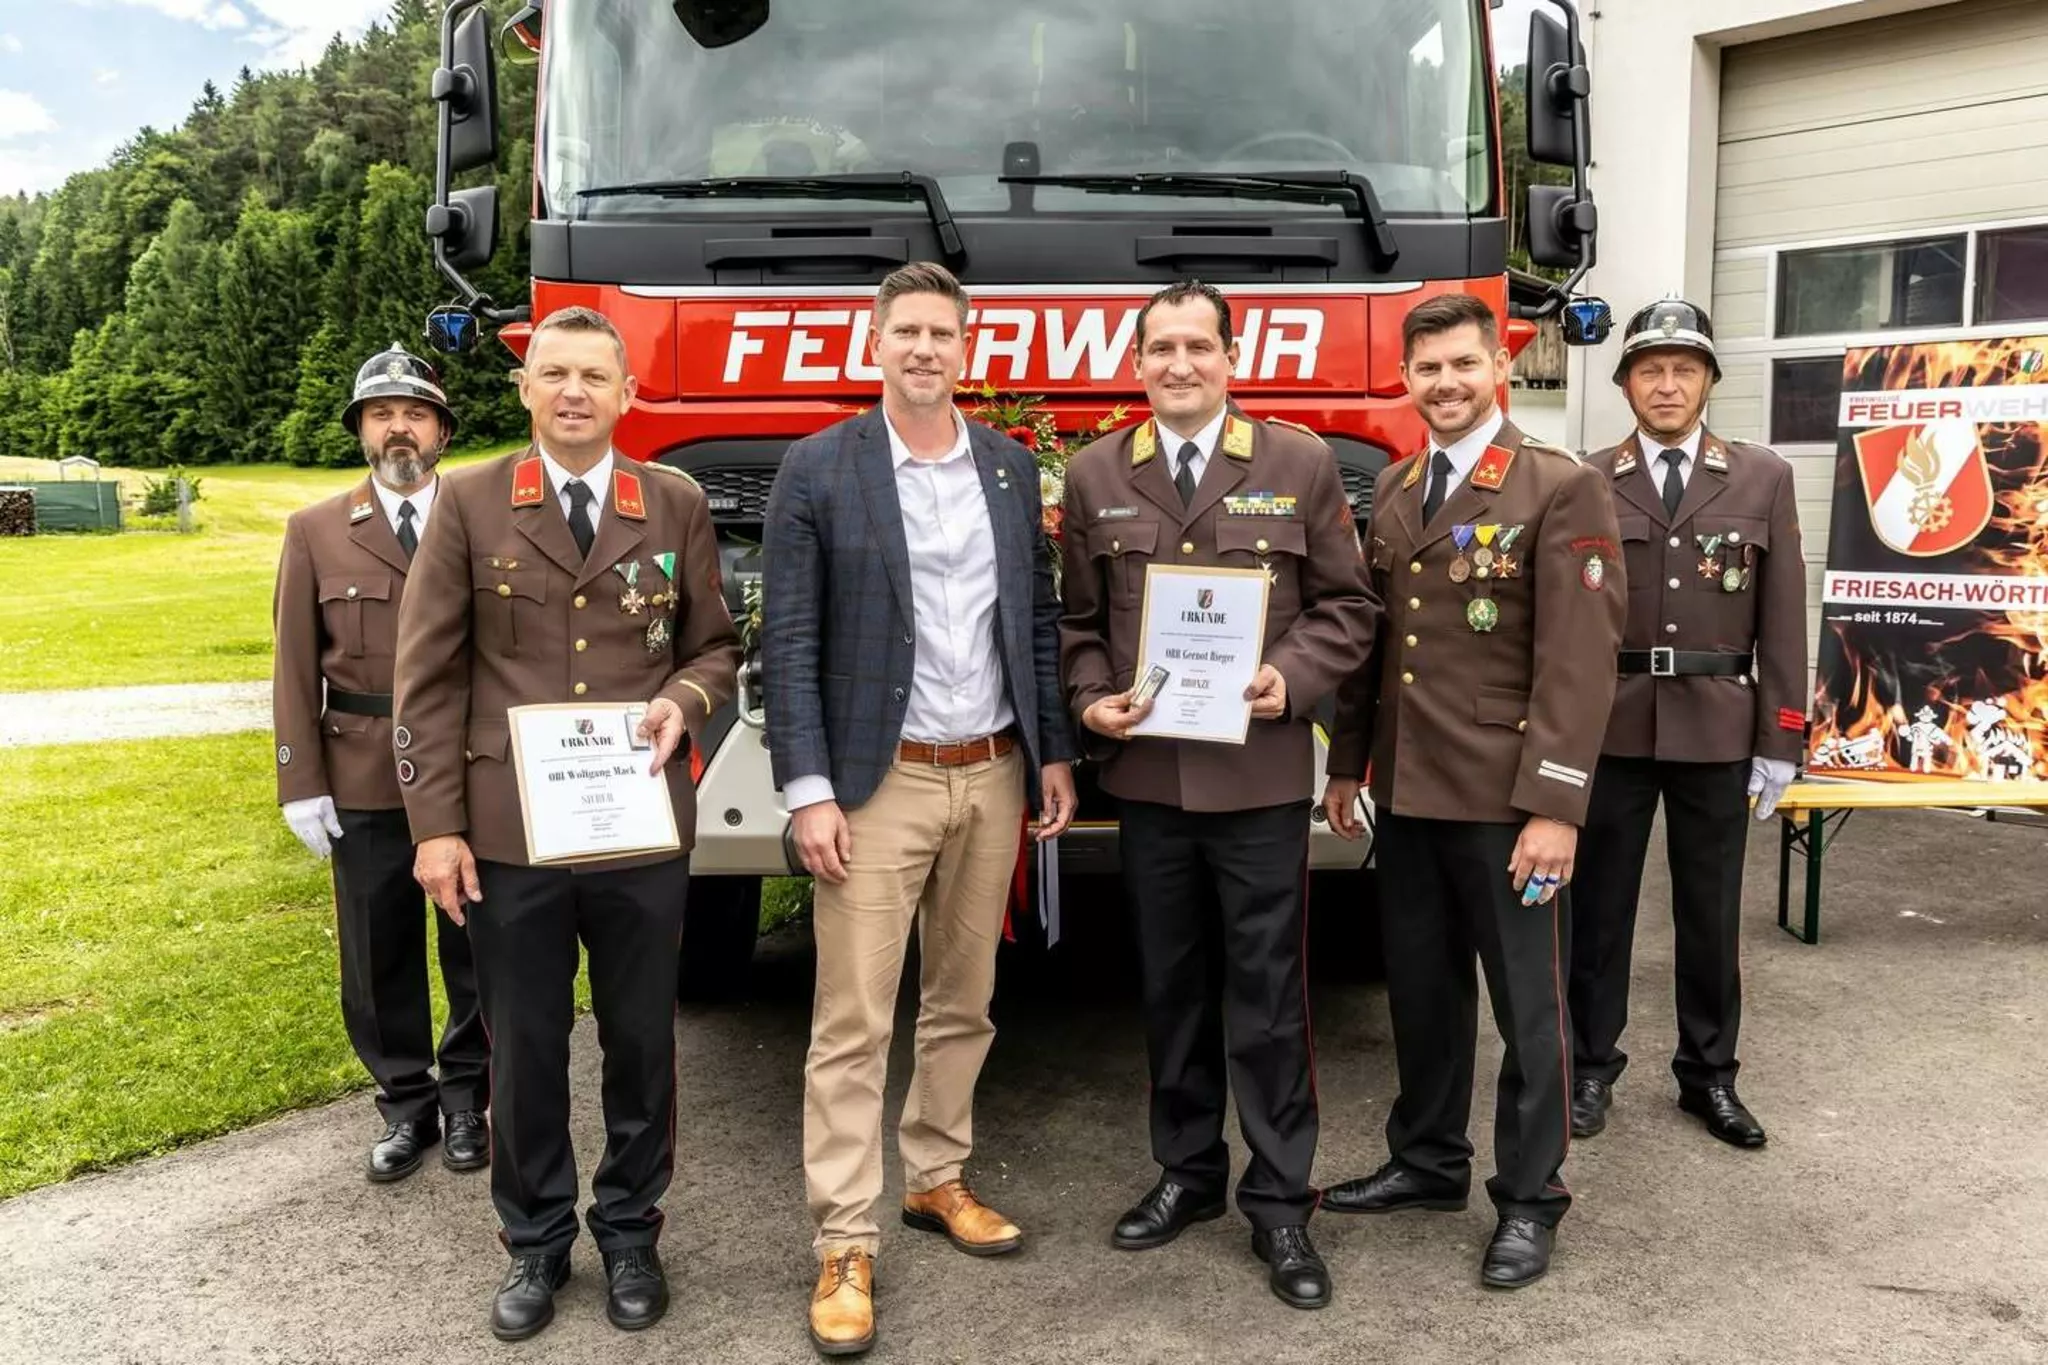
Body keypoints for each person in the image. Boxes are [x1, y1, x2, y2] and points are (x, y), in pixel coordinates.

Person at [392, 306, 740, 1343]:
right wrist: (436, 828)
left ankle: (630, 1228)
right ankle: (536, 1241)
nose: (575, 390)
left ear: (627, 394)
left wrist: (683, 701)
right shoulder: (470, 502)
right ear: (525, 390)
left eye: (596, 374)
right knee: (526, 1046)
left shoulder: (670, 504)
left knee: (640, 1041)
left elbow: (714, 647)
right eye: (556, 373)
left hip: (636, 830)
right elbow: (426, 678)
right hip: (508, 835)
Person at [762, 261, 1078, 1358]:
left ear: (965, 347)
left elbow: (1033, 624)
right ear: (876, 344)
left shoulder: (1004, 465)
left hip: (991, 771)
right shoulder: (817, 470)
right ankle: (842, 1239)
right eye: (906, 333)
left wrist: (1050, 754)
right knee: (852, 1020)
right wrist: (808, 789)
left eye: (943, 334)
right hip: (877, 780)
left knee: (964, 1000)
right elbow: (788, 641)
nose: (925, 350)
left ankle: (934, 1177)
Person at [1058, 280, 1378, 1310]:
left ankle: (1281, 1203)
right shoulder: (1095, 472)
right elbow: (1072, 625)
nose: (1179, 364)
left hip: (1256, 779)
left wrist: (1289, 675)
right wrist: (1091, 699)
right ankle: (1186, 1173)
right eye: (1160, 348)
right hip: (1149, 782)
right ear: (1136, 362)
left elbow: (1347, 605)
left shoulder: (1297, 464)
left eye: (1197, 346)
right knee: (1170, 989)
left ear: (1229, 358)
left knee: (1269, 998)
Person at [1319, 292, 1624, 1290]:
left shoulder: (1556, 486)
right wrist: (1343, 767)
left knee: (1527, 1014)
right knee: (1421, 997)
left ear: (1499, 365)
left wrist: (1553, 806)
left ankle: (1530, 1198)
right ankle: (1426, 1161)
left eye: (1460, 364)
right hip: (1408, 801)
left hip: (1506, 807)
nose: (1443, 384)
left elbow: (1577, 664)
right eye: (1425, 370)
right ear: (1404, 381)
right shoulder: (1400, 487)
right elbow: (1374, 653)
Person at [1567, 298, 1807, 1150]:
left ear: (1708, 380)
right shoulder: (1586, 477)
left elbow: (1782, 617)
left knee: (1711, 915)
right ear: (1626, 381)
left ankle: (1709, 1076)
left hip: (1717, 729)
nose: (1667, 385)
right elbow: (1570, 618)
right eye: (1650, 369)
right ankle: (1587, 1067)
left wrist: (1782, 739)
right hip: (1614, 726)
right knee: (1596, 911)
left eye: (1684, 369)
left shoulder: (1761, 476)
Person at [271, 345, 489, 1185]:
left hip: (467, 771)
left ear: (441, 429)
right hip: (360, 772)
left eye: (416, 412)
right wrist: (300, 777)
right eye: (380, 412)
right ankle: (405, 1101)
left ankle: (469, 1095)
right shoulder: (317, 530)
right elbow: (294, 663)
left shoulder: (481, 516)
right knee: (375, 952)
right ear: (361, 429)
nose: (399, 426)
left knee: (476, 948)